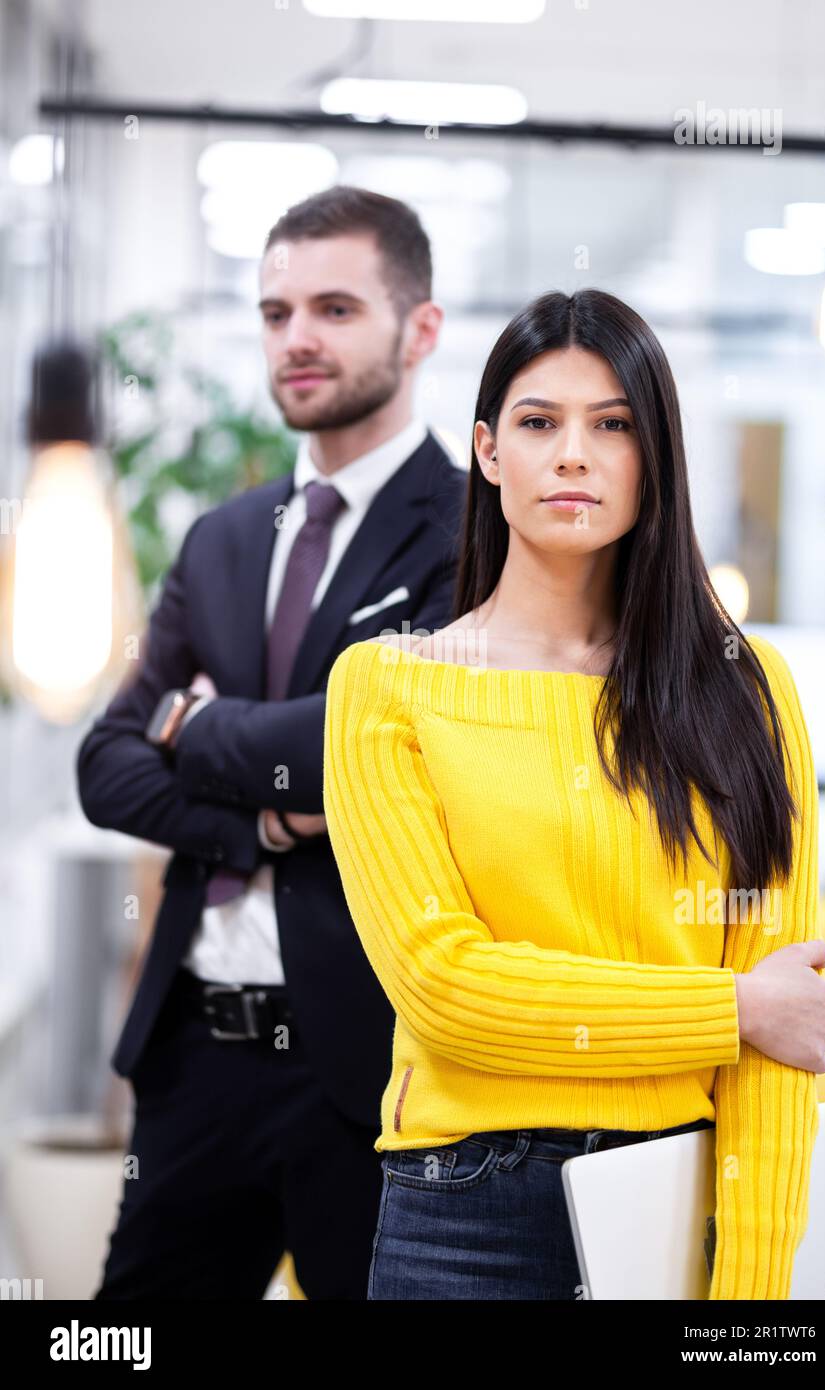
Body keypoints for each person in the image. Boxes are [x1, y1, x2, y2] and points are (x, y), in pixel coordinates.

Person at [322, 286, 825, 1301]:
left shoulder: (745, 688)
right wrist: (733, 1007)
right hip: (464, 1212)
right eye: (536, 422)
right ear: (484, 451)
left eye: (611, 425)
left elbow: (784, 1049)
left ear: (654, 459)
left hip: (679, 1192)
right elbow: (447, 991)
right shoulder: (387, 687)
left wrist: (747, 1306)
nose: (572, 455)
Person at [76, 185, 466, 1299]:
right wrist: (260, 812)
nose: (296, 337)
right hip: (194, 1057)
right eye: (274, 311)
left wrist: (193, 727)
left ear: (419, 328)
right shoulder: (222, 538)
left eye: (335, 308)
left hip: (367, 1069)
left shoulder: (470, 536)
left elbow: (390, 749)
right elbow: (106, 761)